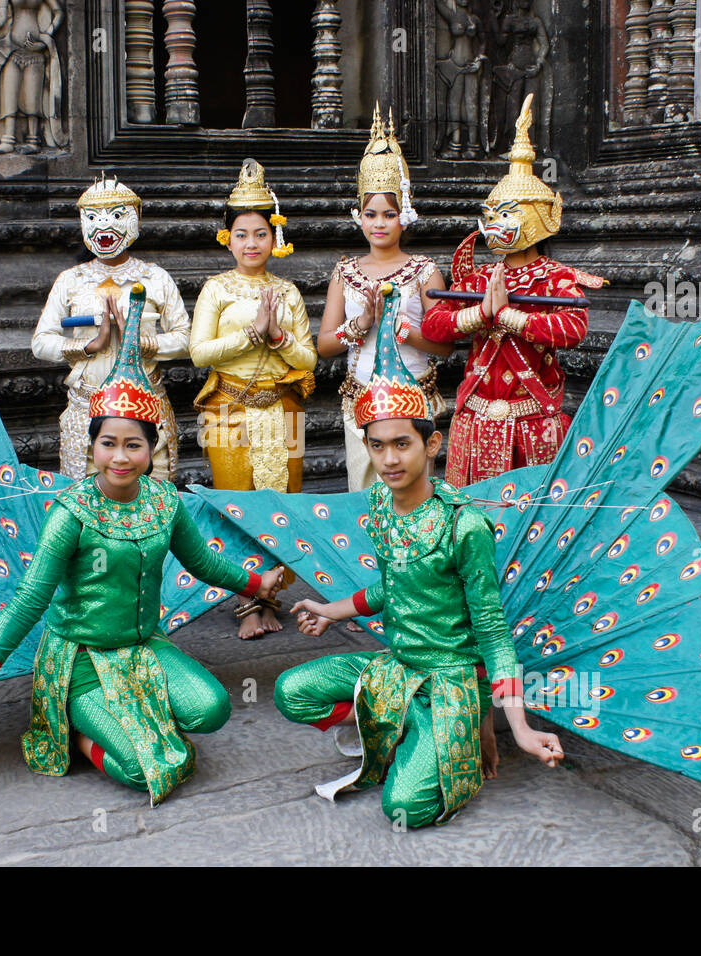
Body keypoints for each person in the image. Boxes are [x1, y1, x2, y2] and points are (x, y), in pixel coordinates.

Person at [0, 284, 284, 805]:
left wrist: (256, 582)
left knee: (212, 709)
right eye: (109, 443)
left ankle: (135, 714)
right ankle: (75, 729)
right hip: (82, 660)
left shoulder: (163, 502)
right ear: (93, 446)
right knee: (150, 767)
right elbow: (30, 598)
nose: (120, 457)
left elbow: (201, 562)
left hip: (143, 648)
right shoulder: (71, 513)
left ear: (153, 449)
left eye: (134, 444)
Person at [276, 282, 563, 828]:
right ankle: (413, 731)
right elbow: (395, 588)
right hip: (398, 669)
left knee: (405, 807)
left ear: (431, 445)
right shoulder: (381, 510)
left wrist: (515, 725)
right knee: (294, 692)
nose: (388, 459)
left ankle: (454, 733)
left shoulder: (465, 526)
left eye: (402, 443)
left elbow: (492, 628)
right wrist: (332, 609)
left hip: (452, 678)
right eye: (377, 445)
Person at [422, 92, 604, 487]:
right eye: (491, 217)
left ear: (540, 218)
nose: (496, 227)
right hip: (474, 415)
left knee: (530, 518)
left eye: (507, 216)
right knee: (473, 518)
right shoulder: (478, 279)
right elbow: (434, 325)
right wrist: (480, 314)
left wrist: (508, 315)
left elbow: (573, 330)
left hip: (531, 419)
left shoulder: (557, 278)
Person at [190, 158, 317, 639]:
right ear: (228, 238)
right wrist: (251, 334)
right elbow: (200, 353)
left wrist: (280, 338)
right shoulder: (216, 289)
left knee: (281, 506)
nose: (251, 244)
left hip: (281, 407)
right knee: (235, 506)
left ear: (274, 237)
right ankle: (247, 604)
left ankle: (272, 597)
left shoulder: (287, 291)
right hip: (227, 406)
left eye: (260, 234)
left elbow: (307, 360)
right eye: (241, 234)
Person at [318, 105, 451, 493]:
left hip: (414, 398)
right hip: (361, 397)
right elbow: (324, 346)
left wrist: (405, 332)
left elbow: (445, 346)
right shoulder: (345, 273)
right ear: (358, 215)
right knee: (363, 491)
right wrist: (359, 326)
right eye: (371, 214)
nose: (379, 223)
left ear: (404, 216)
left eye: (389, 214)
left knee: (413, 491)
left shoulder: (425, 270)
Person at [31, 175, 190, 481]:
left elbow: (186, 339)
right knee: (89, 508)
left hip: (145, 408)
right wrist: (90, 345)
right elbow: (41, 342)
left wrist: (137, 339)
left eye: (117, 215)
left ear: (135, 219)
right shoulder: (70, 280)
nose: (104, 226)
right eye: (93, 217)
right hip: (87, 409)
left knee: (150, 505)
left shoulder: (155, 278)